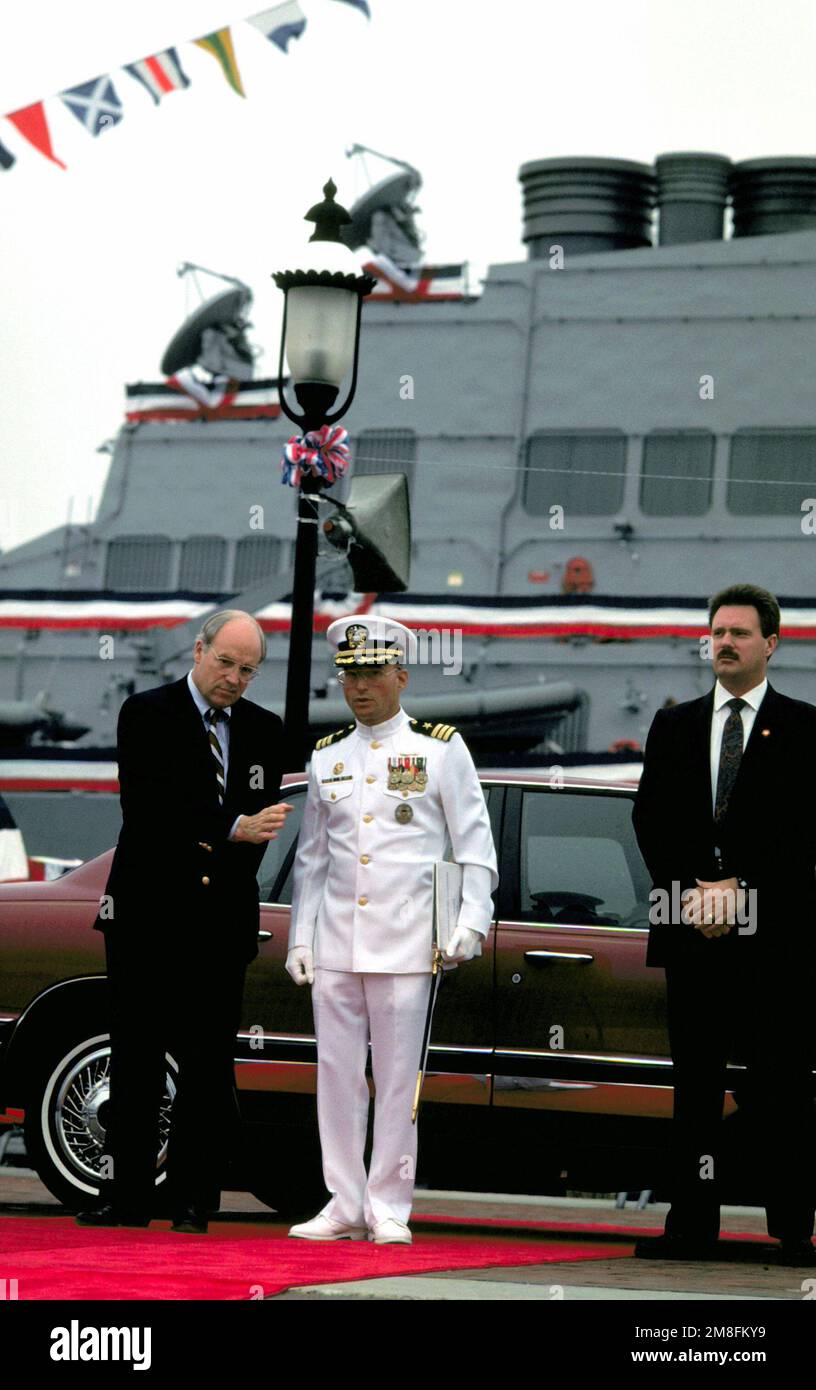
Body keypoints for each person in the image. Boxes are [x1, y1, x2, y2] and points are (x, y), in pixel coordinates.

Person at [76, 610, 291, 1234]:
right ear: (199, 650)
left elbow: (263, 824)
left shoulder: (264, 730)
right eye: (225, 662)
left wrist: (234, 833)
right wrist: (227, 828)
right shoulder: (146, 713)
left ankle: (195, 1201)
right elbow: (147, 804)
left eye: (247, 670)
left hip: (219, 922)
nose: (234, 678)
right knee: (137, 1057)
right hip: (147, 916)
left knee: (206, 1064)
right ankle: (126, 1196)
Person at [285, 616, 497, 1245]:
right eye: (350, 674)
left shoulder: (440, 748)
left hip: (409, 942)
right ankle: (343, 1201)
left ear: (402, 674)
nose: (360, 686)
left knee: (399, 1077)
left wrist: (470, 922)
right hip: (338, 942)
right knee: (337, 1073)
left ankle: (389, 1203)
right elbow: (312, 859)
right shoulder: (327, 757)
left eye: (374, 672)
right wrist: (301, 937)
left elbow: (474, 844)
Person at [632, 583, 816, 1265]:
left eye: (740, 633)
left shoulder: (806, 729)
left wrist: (742, 888)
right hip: (693, 936)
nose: (726, 644)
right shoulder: (672, 726)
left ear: (771, 643)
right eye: (717, 633)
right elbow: (650, 819)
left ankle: (793, 1230)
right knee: (697, 1088)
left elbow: (807, 836)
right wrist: (692, 895)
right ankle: (691, 1228)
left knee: (782, 1086)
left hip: (777, 945)